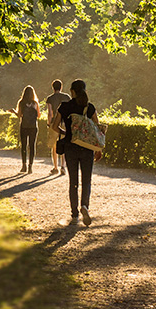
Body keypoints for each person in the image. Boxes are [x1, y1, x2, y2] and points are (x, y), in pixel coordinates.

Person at [55, 79, 100, 225]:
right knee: (86, 180)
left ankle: (74, 214)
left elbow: (54, 126)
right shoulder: (90, 107)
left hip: (70, 146)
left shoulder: (64, 107)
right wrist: (98, 149)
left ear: (72, 92)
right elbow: (97, 130)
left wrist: (66, 133)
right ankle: (84, 206)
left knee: (73, 181)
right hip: (87, 148)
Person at [6, 86, 42, 173]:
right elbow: (39, 115)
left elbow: (19, 115)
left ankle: (24, 165)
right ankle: (30, 166)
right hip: (33, 127)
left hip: (24, 126)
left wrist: (14, 111)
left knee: (24, 146)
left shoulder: (21, 102)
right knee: (32, 146)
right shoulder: (35, 103)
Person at [44, 80, 70, 176]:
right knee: (64, 144)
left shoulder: (50, 98)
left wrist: (48, 123)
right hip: (65, 123)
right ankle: (63, 166)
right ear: (61, 87)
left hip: (55, 122)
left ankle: (55, 167)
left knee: (54, 145)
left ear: (53, 88)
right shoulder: (67, 97)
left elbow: (50, 113)